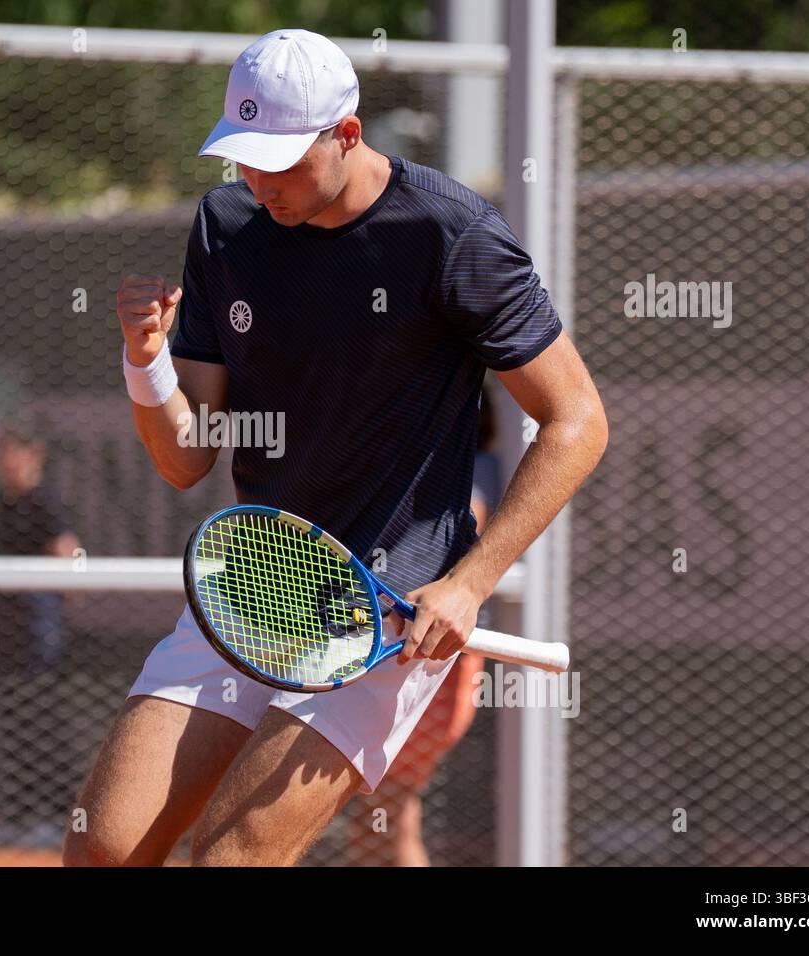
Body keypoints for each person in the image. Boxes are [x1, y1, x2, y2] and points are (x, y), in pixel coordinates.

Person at [63, 29, 607, 867]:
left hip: (382, 615)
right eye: (244, 157)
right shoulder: (227, 225)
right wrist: (145, 363)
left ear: (346, 135)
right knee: (104, 847)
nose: (258, 180)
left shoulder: (451, 234)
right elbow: (185, 458)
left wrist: (469, 584)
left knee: (230, 860)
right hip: (250, 587)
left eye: (280, 158)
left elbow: (577, 419)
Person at [351, 387, 502, 866]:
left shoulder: (473, 466)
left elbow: (468, 522)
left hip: (436, 658)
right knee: (383, 808)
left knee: (388, 807)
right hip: (402, 648)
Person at [0, 426, 80, 675]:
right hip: (10, 606)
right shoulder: (5, 501)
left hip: (40, 608)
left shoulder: (44, 499)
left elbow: (68, 549)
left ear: (33, 455)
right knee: (10, 682)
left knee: (40, 679)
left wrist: (67, 596)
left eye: (8, 453)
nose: (1, 462)